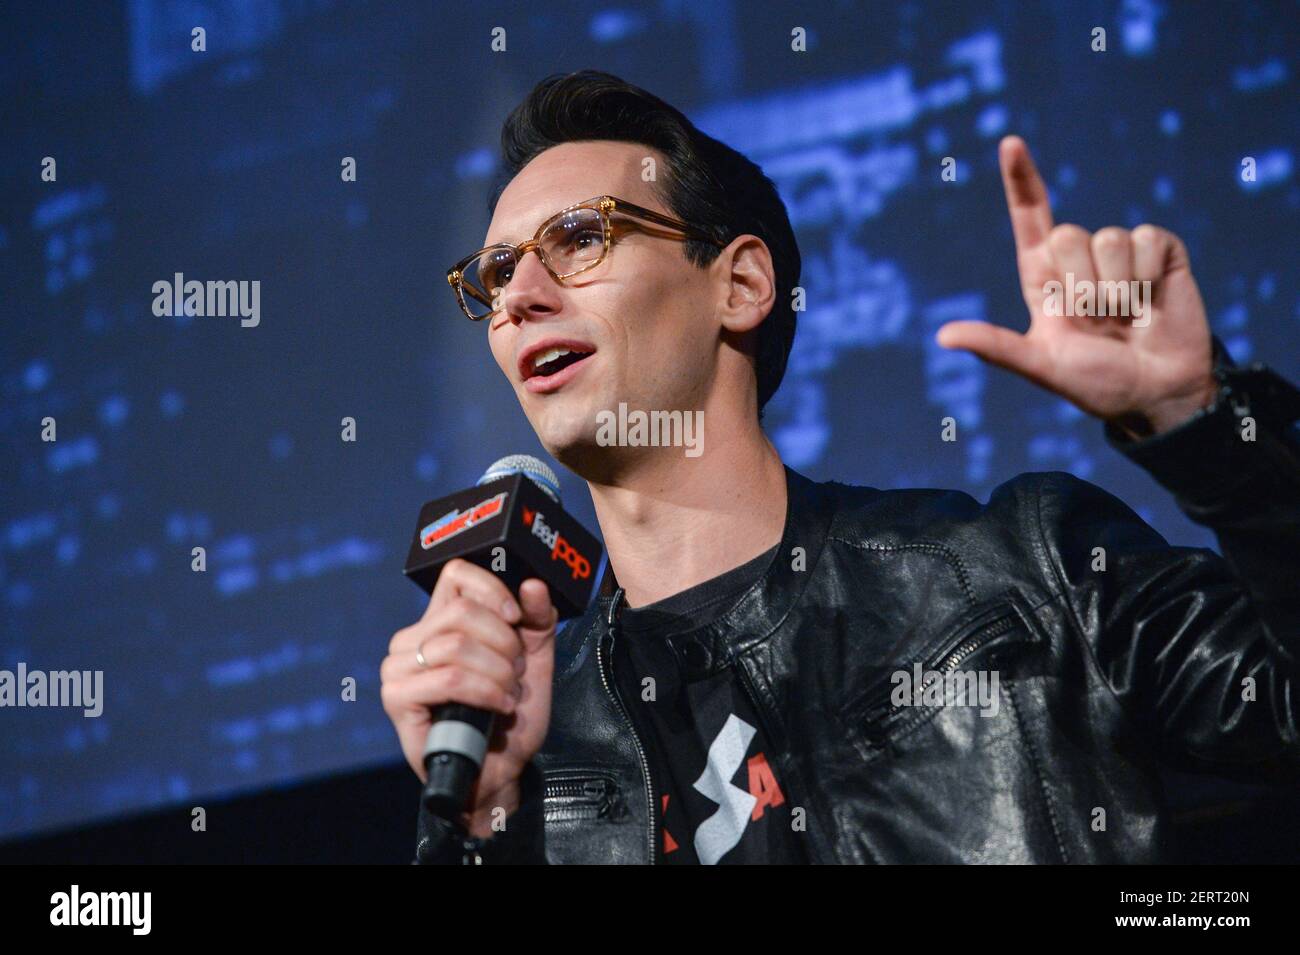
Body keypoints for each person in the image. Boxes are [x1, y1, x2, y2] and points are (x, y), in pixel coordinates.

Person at [380, 70, 1300, 864]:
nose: (520, 300)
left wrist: (1208, 426)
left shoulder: (1027, 570)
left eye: (580, 237)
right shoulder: (529, 730)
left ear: (739, 285)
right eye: (496, 274)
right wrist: (490, 820)